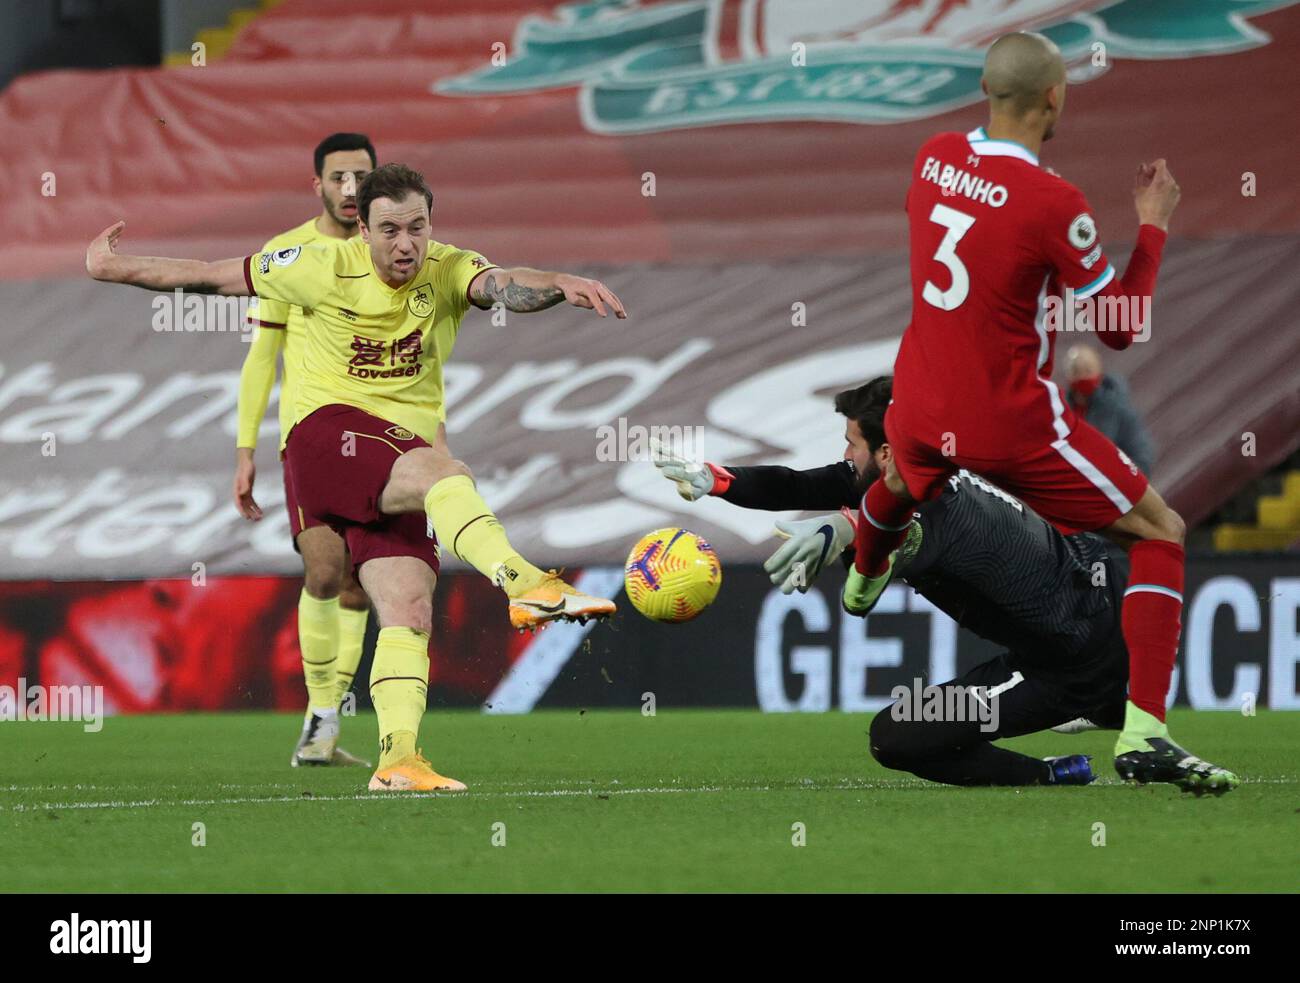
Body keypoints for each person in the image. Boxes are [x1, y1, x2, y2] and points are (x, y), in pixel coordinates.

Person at [86, 163, 625, 792]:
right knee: (436, 477)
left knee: (407, 609)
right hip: (324, 438)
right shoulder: (314, 264)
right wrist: (109, 267)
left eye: (417, 228)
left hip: (396, 458)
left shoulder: (448, 268)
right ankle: (526, 583)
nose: (405, 244)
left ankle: (398, 760)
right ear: (361, 231)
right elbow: (208, 276)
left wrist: (557, 281)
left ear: (432, 225)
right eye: (389, 230)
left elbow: (503, 284)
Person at [842, 32, 1236, 791]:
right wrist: (1152, 223)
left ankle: (863, 578)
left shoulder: (931, 157)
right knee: (1161, 530)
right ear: (1054, 96)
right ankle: (1144, 735)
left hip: (921, 404)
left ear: (987, 89)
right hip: (1009, 421)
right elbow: (1120, 326)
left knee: (903, 481)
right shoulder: (1055, 202)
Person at [655, 377, 1145, 789]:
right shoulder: (919, 465)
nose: (845, 453)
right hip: (1100, 594)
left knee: (896, 734)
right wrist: (717, 480)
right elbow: (797, 484)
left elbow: (903, 531)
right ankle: (1109, 706)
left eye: (852, 442)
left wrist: (840, 529)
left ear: (885, 452)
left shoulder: (928, 510)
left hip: (1067, 657)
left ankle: (1054, 770)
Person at [234, 132, 377, 769]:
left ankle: (328, 727)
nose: (351, 190)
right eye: (339, 178)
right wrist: (245, 448)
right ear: (315, 184)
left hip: (386, 439)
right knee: (323, 571)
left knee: (358, 583)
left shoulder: (400, 250)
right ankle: (320, 716)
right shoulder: (285, 256)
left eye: (362, 178)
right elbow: (262, 355)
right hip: (311, 439)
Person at [1065, 344, 1155, 476]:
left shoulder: (1118, 410)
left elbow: (1142, 457)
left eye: (1087, 370)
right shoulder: (1061, 413)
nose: (1082, 377)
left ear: (1098, 371)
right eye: (1076, 371)